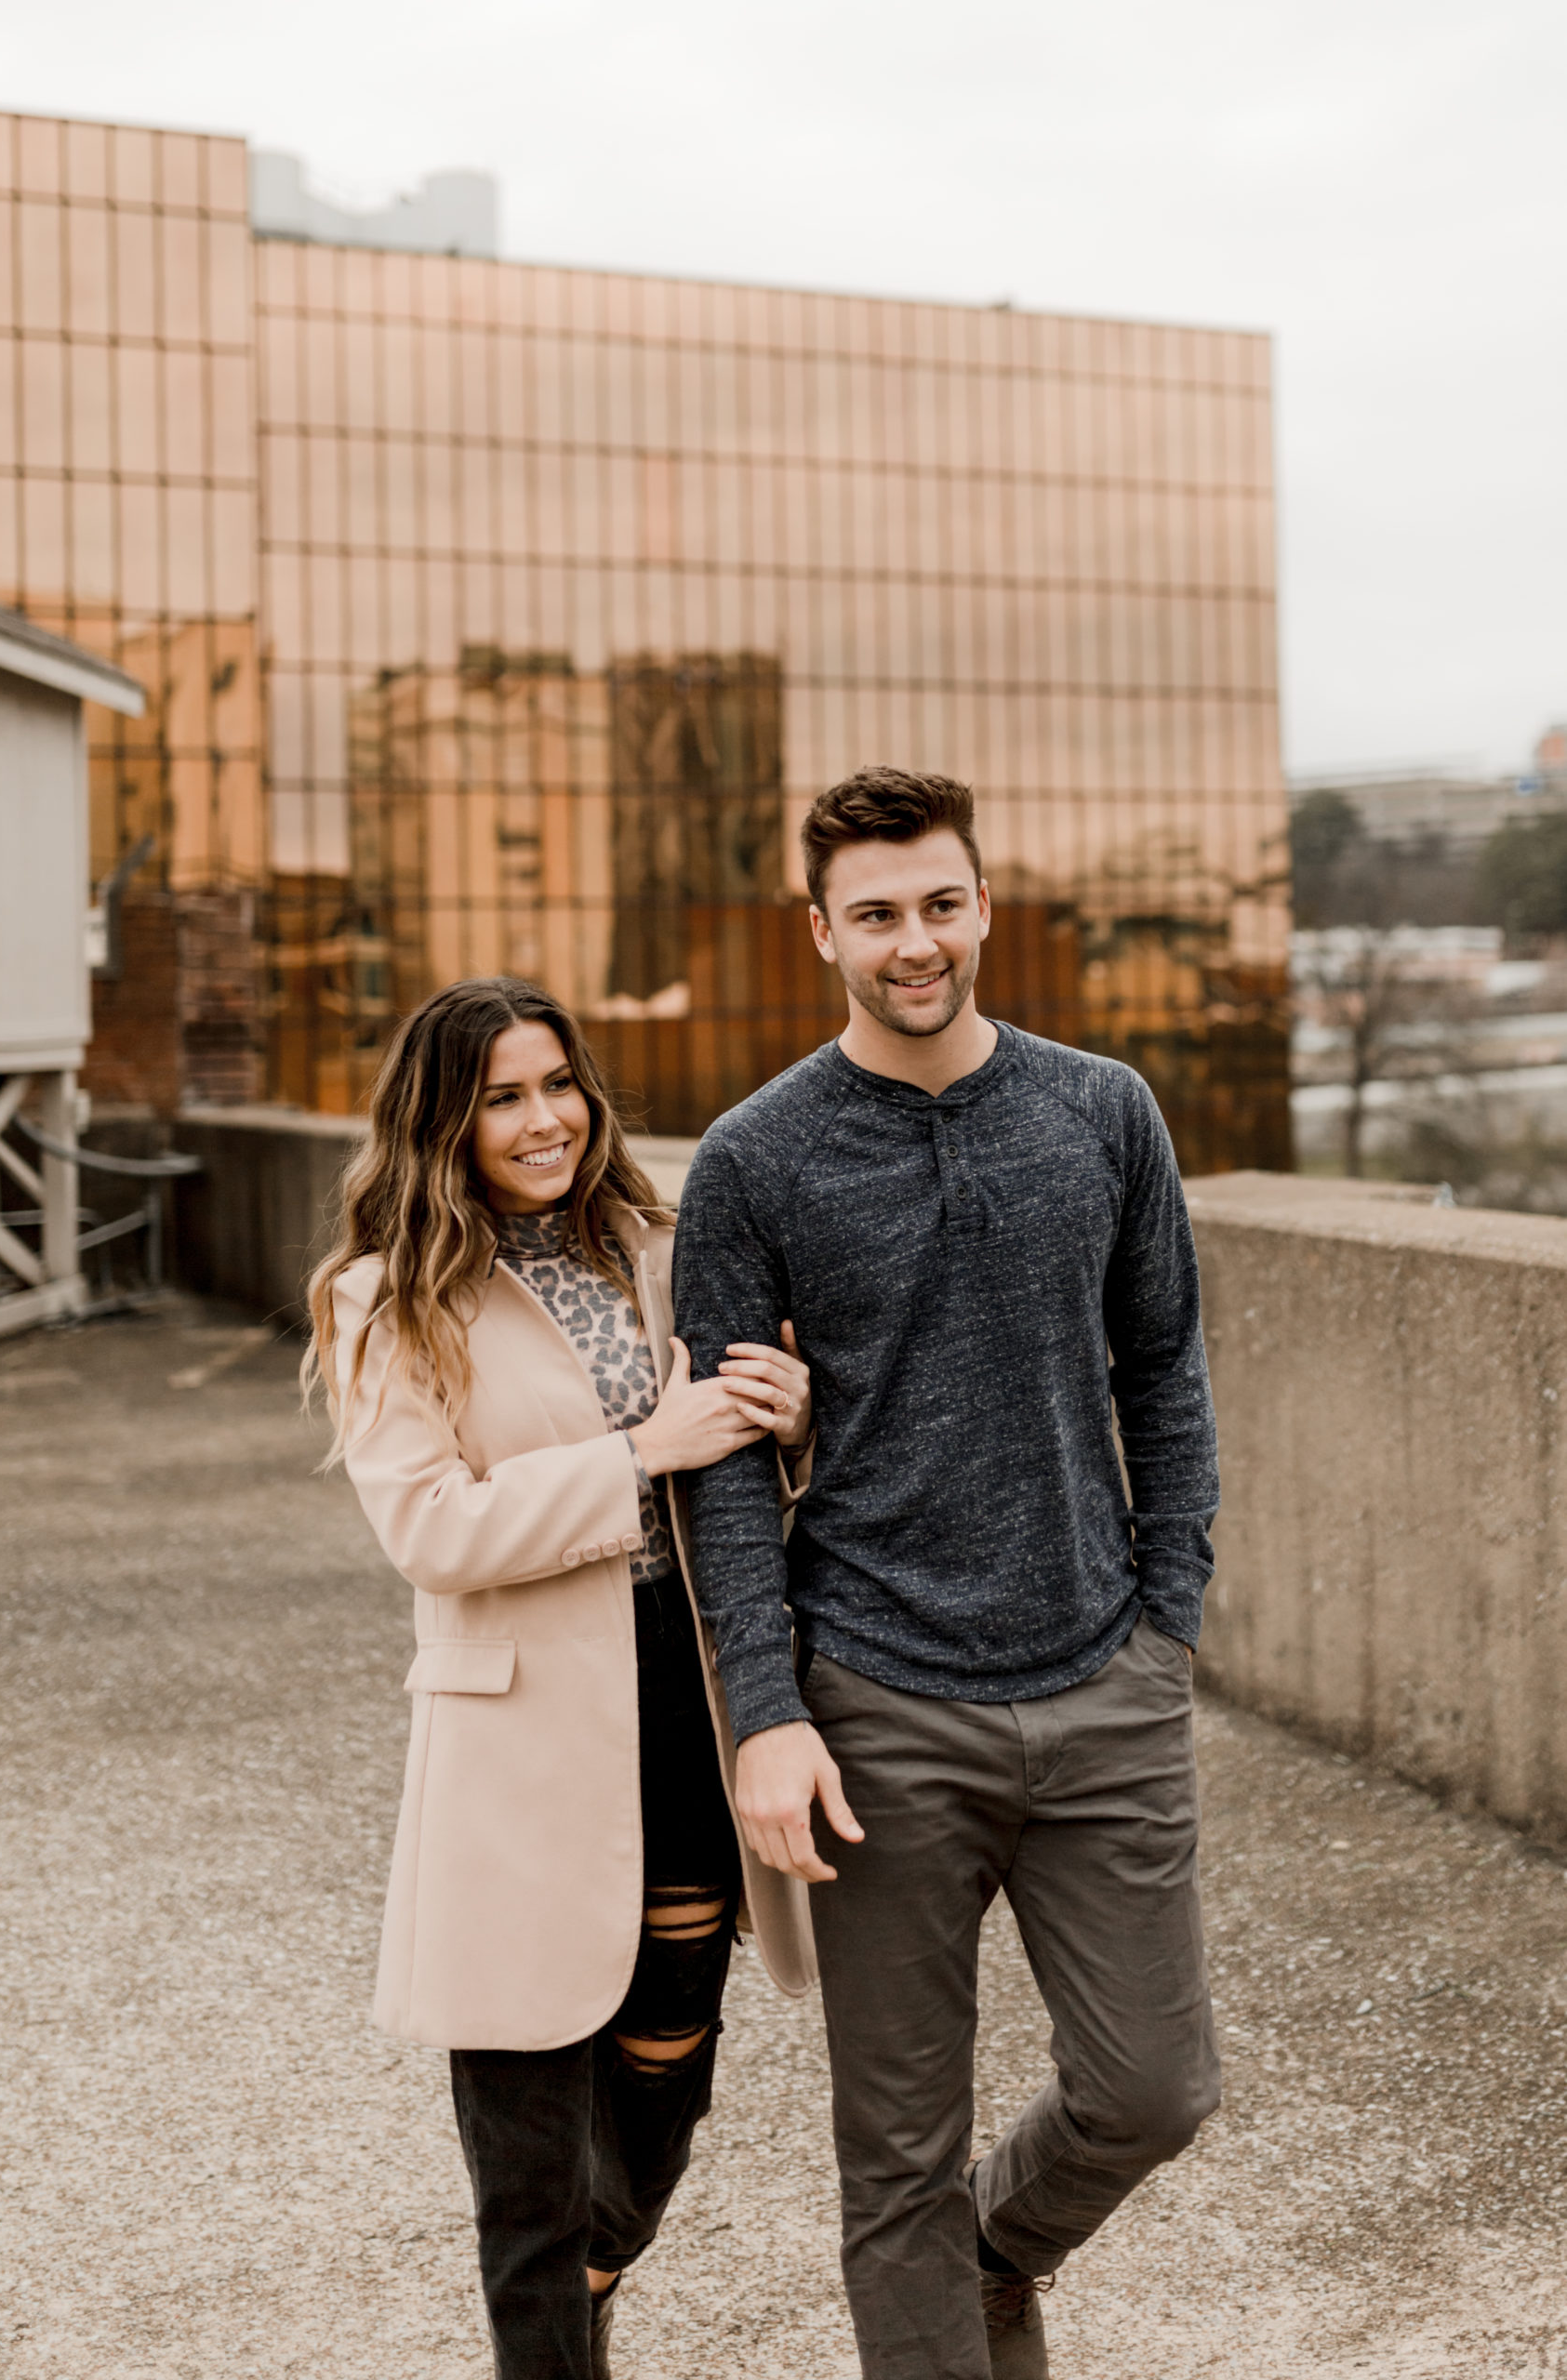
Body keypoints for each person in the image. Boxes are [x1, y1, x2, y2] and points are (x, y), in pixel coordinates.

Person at [672, 768, 1222, 2380]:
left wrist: (1167, 1617)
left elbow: (1165, 1370)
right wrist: (766, 1712)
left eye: (940, 904)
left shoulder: (1102, 1108)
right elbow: (712, 1457)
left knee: (1152, 2091)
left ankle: (995, 2253)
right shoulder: (754, 1161)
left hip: (1103, 1679)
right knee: (894, 2158)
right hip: (874, 1707)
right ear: (822, 932)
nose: (915, 943)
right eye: (877, 915)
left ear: (981, 903)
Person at [302, 975, 816, 2380]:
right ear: (444, 1124)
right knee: (526, 2157)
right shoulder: (385, 1298)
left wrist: (787, 1419)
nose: (544, 1120)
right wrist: (645, 1449)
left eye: (558, 1085)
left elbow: (748, 1470)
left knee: (669, 2066)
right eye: (502, 1097)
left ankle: (599, 2269)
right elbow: (433, 1531)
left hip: (683, 1704)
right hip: (519, 1748)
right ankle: (548, 2328)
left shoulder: (659, 1247)